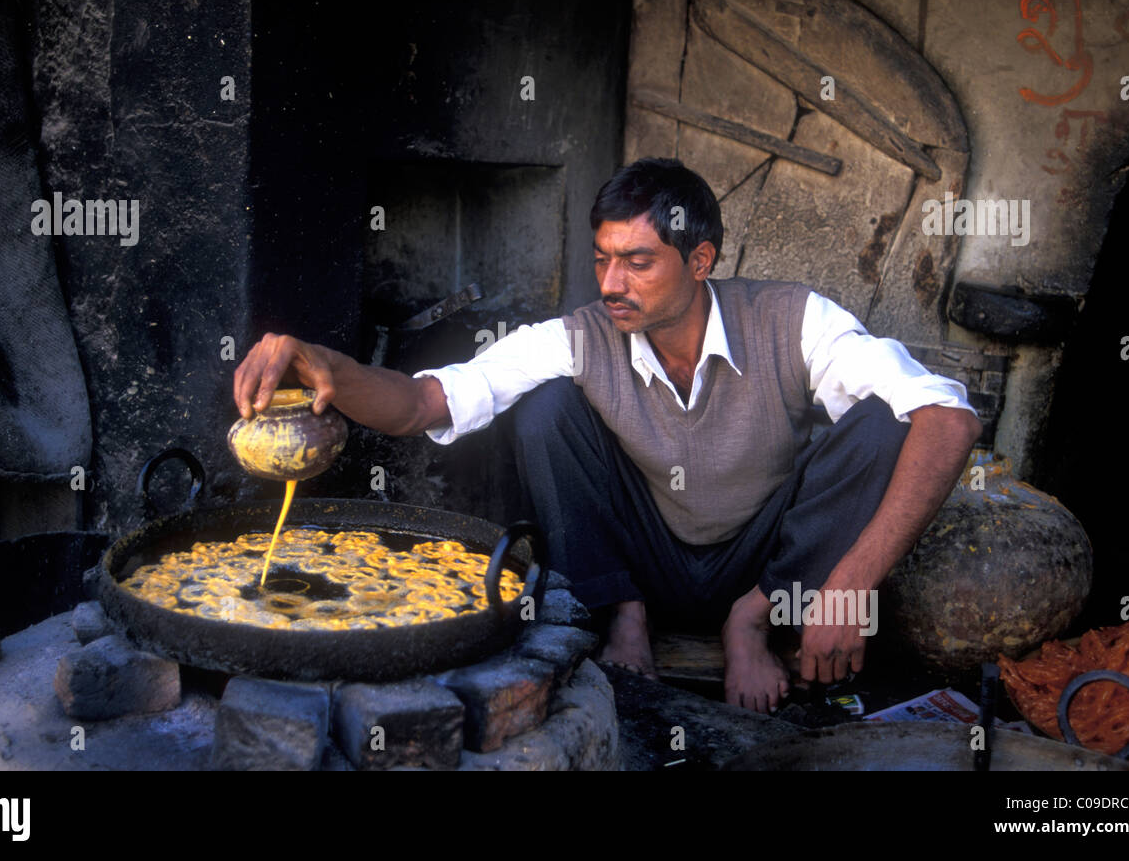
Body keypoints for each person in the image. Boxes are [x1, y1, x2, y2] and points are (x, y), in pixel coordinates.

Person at [233, 158, 981, 714]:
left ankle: (750, 623)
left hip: (767, 558)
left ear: (700, 261)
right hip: (647, 554)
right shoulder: (581, 336)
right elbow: (429, 400)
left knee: (889, 421)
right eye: (603, 259)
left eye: (637, 262)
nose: (611, 283)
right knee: (546, 408)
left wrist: (847, 591)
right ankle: (623, 616)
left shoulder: (795, 319)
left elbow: (950, 418)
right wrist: (325, 362)